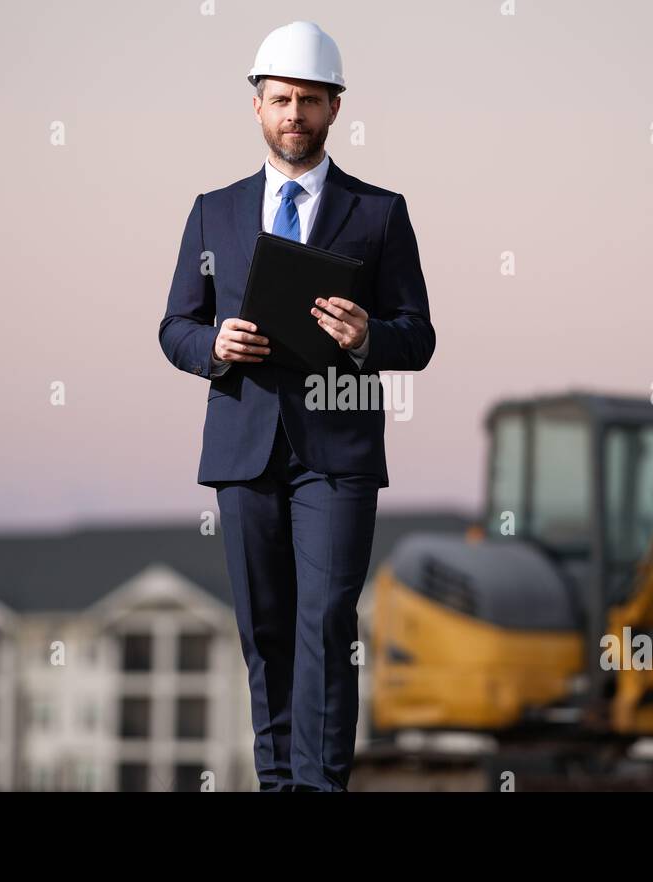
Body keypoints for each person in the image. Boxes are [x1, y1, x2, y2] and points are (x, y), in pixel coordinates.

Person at [158, 20, 435, 791]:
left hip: (336, 455)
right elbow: (173, 327)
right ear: (256, 105)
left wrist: (366, 337)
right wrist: (212, 346)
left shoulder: (379, 214)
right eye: (281, 99)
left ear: (335, 108)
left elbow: (419, 336)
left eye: (310, 101)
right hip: (244, 449)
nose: (295, 115)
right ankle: (278, 784)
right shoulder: (213, 211)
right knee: (266, 632)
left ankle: (319, 788)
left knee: (325, 624)